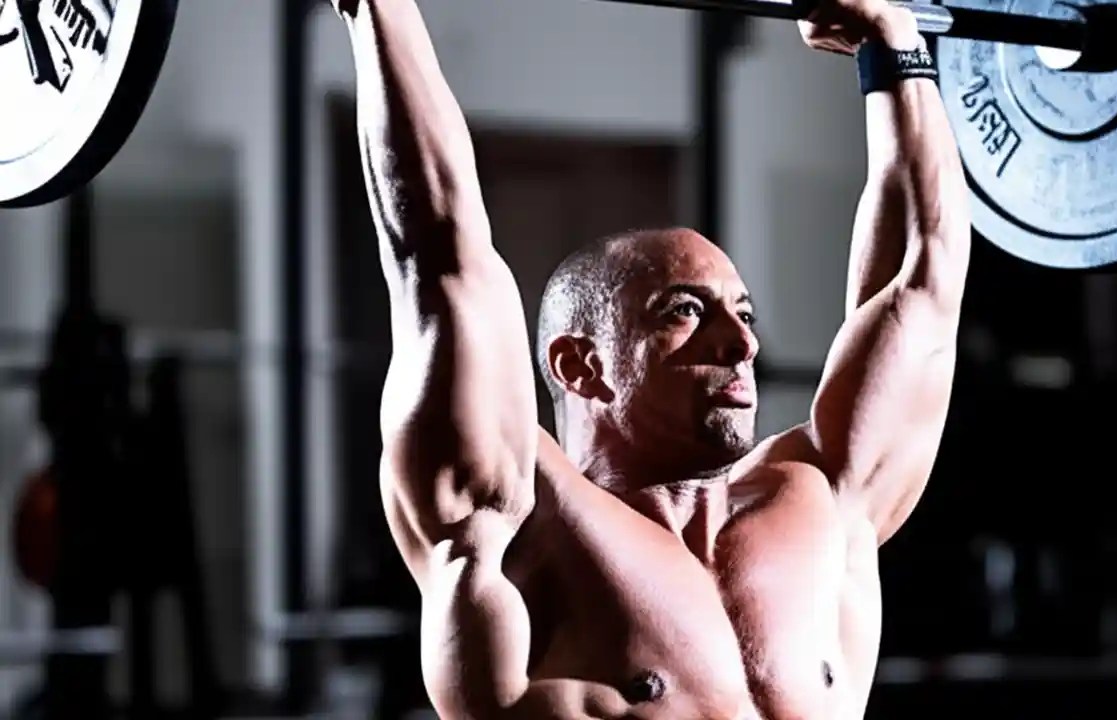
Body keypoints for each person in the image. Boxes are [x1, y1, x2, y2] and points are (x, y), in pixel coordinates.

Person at [331, 0, 970, 716]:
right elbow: (438, 250)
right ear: (581, 366)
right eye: (686, 312)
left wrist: (894, 44)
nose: (742, 344)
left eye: (745, 315)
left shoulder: (820, 505)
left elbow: (921, 281)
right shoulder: (518, 526)